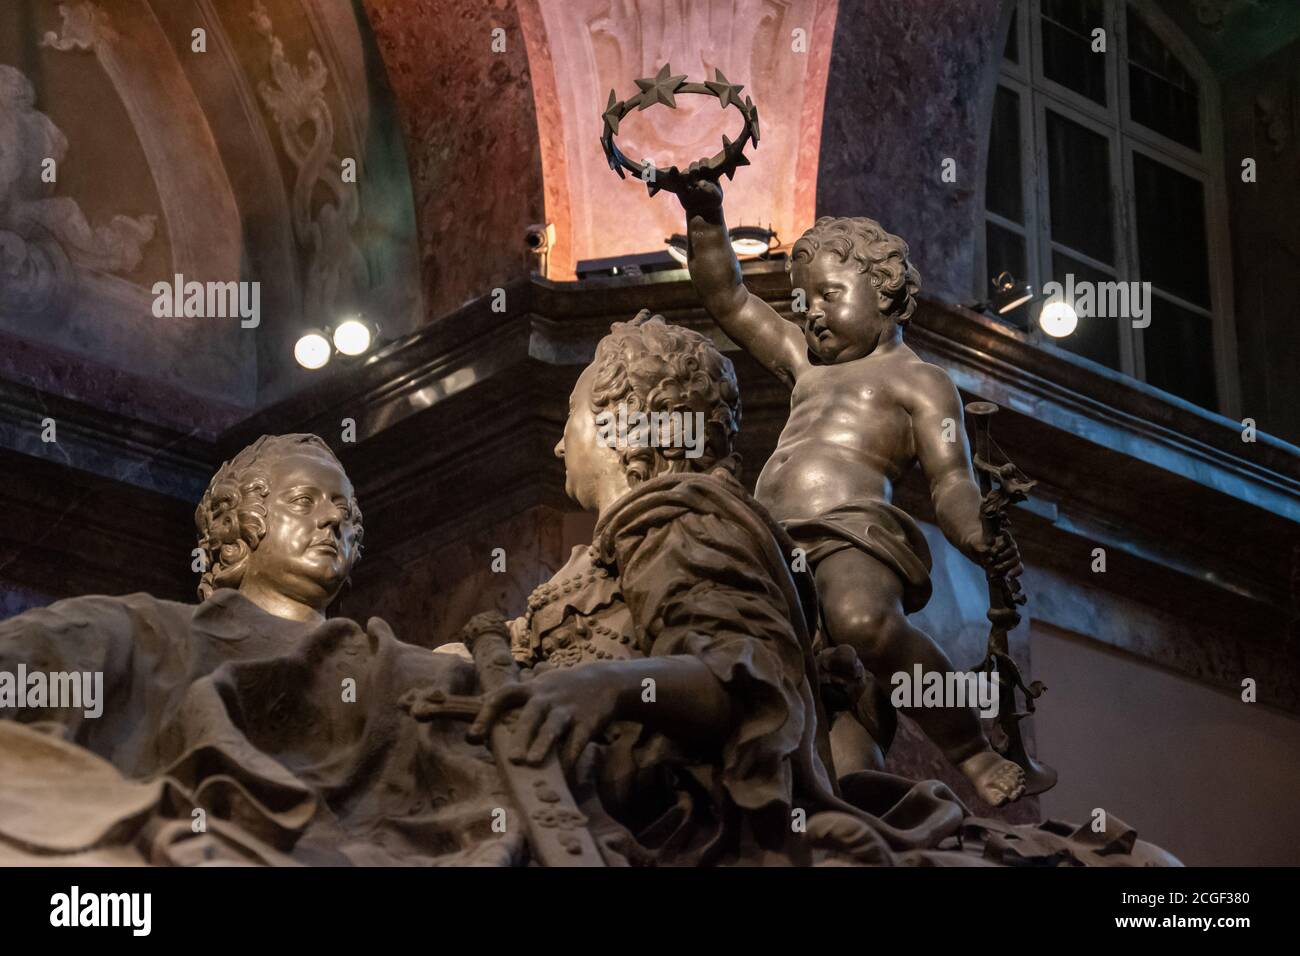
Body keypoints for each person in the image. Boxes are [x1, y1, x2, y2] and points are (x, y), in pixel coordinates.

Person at [469, 311, 974, 865]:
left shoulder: (679, 520)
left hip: (644, 817)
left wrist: (606, 686)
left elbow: (745, 678)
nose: (561, 448)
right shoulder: (602, 559)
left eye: (570, 418)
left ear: (620, 420)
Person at [673, 171, 1026, 806]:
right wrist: (706, 214)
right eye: (801, 302)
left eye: (828, 295)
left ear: (886, 294)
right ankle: (843, 797)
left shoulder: (922, 383)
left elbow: (951, 481)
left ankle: (970, 750)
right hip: (772, 543)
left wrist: (978, 533)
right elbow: (727, 297)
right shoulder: (802, 360)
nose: (810, 315)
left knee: (862, 622)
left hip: (850, 532)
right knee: (807, 681)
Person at [0, 434, 518, 865]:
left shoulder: (402, 666)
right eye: (303, 501)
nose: (331, 520)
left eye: (343, 510)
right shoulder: (150, 630)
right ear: (239, 524)